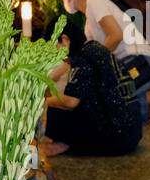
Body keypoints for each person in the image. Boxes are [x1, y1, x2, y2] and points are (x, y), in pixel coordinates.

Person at [60, 0, 150, 123]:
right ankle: (146, 99)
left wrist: (92, 63)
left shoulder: (94, 2)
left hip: (141, 63)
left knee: (112, 106)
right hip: (125, 66)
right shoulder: (88, 19)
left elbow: (115, 35)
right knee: (100, 104)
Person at [44, 16, 143, 157]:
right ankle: (67, 143)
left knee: (45, 113)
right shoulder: (95, 48)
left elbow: (70, 101)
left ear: (65, 40)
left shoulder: (83, 58)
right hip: (132, 134)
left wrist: (44, 102)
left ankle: (68, 144)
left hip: (115, 139)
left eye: (55, 49)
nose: (56, 57)